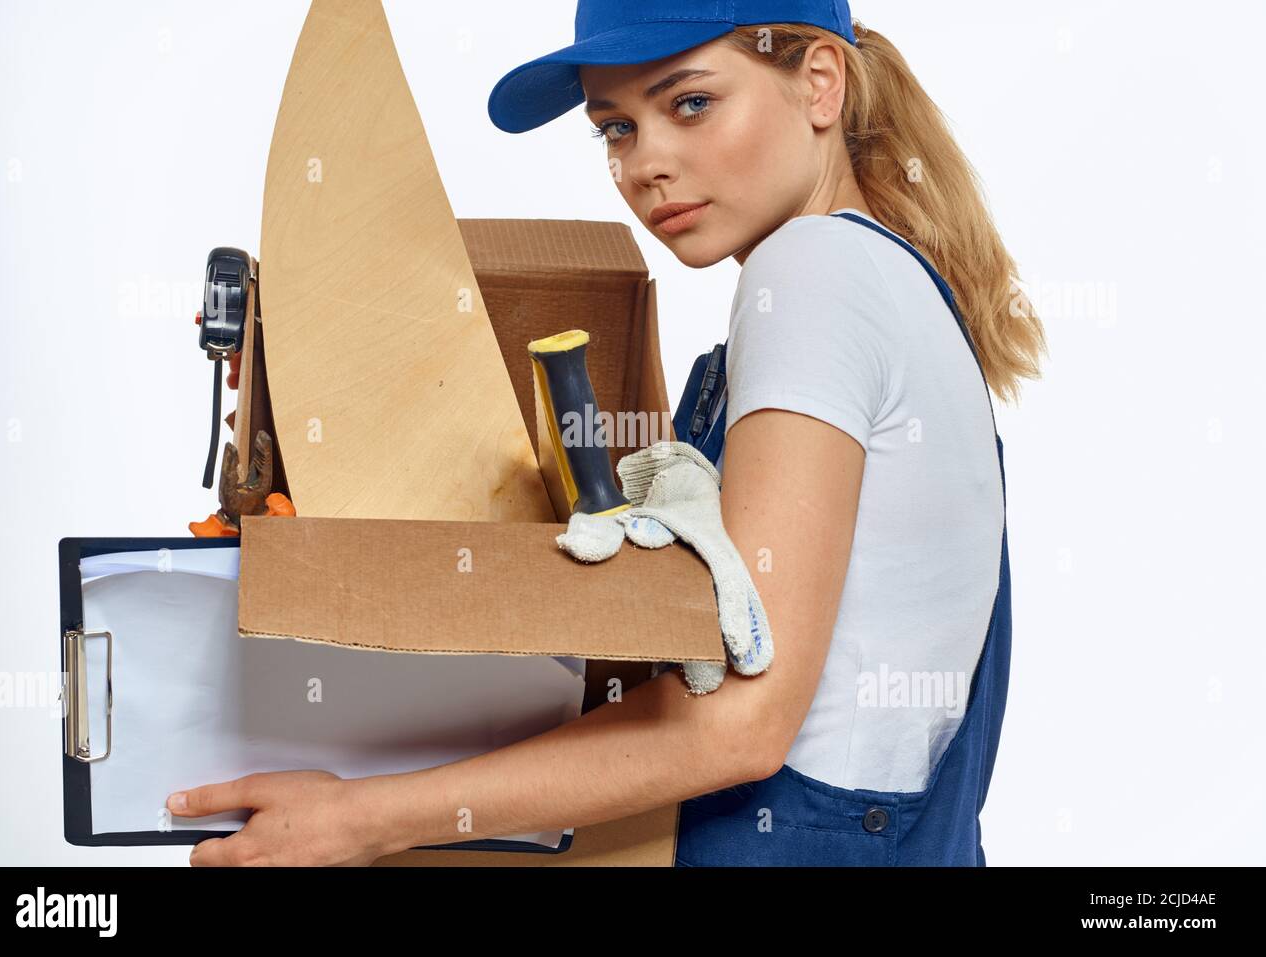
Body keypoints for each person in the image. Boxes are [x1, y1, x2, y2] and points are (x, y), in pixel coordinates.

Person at [171, 0, 1046, 866]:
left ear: (821, 84)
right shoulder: (888, 275)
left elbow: (743, 724)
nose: (646, 165)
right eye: (616, 129)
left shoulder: (813, 270)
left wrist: (363, 817)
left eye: (690, 103)